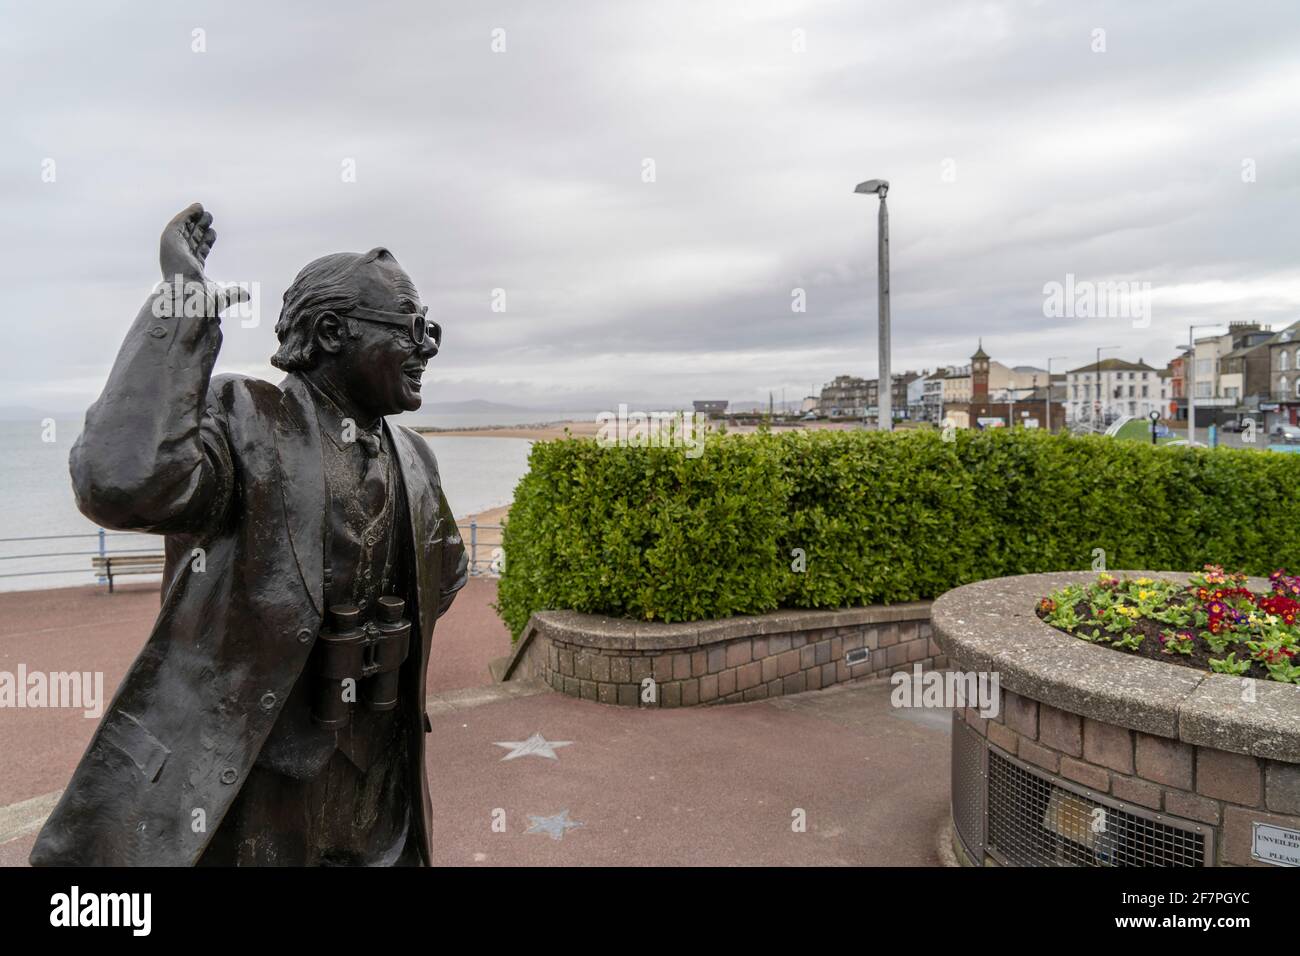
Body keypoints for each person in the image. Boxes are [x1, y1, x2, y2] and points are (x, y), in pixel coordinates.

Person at [30, 203, 468, 866]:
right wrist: (181, 302)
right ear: (329, 331)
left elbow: (445, 577)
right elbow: (120, 481)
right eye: (411, 327)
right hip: (245, 792)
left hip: (380, 796)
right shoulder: (244, 419)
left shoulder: (416, 456)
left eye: (429, 326)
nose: (428, 345)